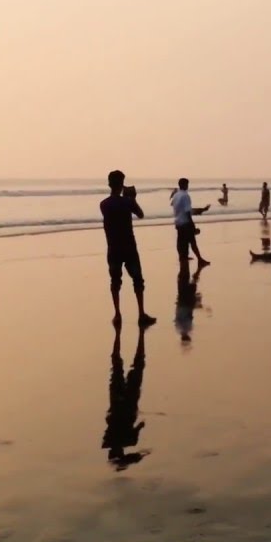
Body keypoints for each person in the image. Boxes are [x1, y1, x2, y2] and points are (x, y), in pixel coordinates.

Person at [101, 171, 157, 328]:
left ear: (109, 184)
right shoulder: (128, 202)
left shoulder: (104, 204)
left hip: (113, 247)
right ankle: (141, 313)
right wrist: (132, 199)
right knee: (137, 280)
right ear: (121, 184)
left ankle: (117, 314)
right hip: (129, 246)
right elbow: (140, 214)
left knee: (115, 281)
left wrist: (127, 199)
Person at [102, 322, 148, 470]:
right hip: (118, 404)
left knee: (134, 367)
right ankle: (135, 337)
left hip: (127, 405)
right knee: (117, 368)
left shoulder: (126, 441)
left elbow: (139, 427)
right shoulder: (109, 441)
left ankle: (138, 337)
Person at [172, 178, 211, 266]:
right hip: (185, 222)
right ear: (185, 185)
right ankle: (200, 260)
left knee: (181, 241)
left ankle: (182, 257)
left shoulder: (176, 195)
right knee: (192, 242)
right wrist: (192, 226)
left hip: (178, 222)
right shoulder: (186, 196)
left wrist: (202, 210)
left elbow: (185, 210)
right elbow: (188, 212)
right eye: (187, 184)